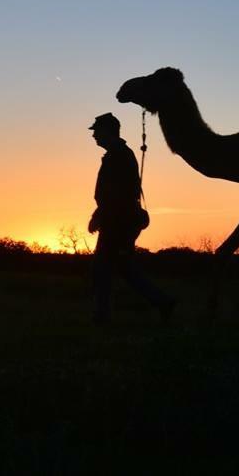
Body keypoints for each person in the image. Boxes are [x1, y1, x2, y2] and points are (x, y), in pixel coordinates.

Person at [87, 112, 174, 324]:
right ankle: (163, 302)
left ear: (108, 131)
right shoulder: (118, 154)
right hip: (118, 219)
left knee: (103, 267)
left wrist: (101, 215)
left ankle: (102, 317)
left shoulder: (119, 155)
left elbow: (120, 193)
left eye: (97, 131)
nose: (94, 136)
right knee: (121, 267)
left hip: (118, 221)